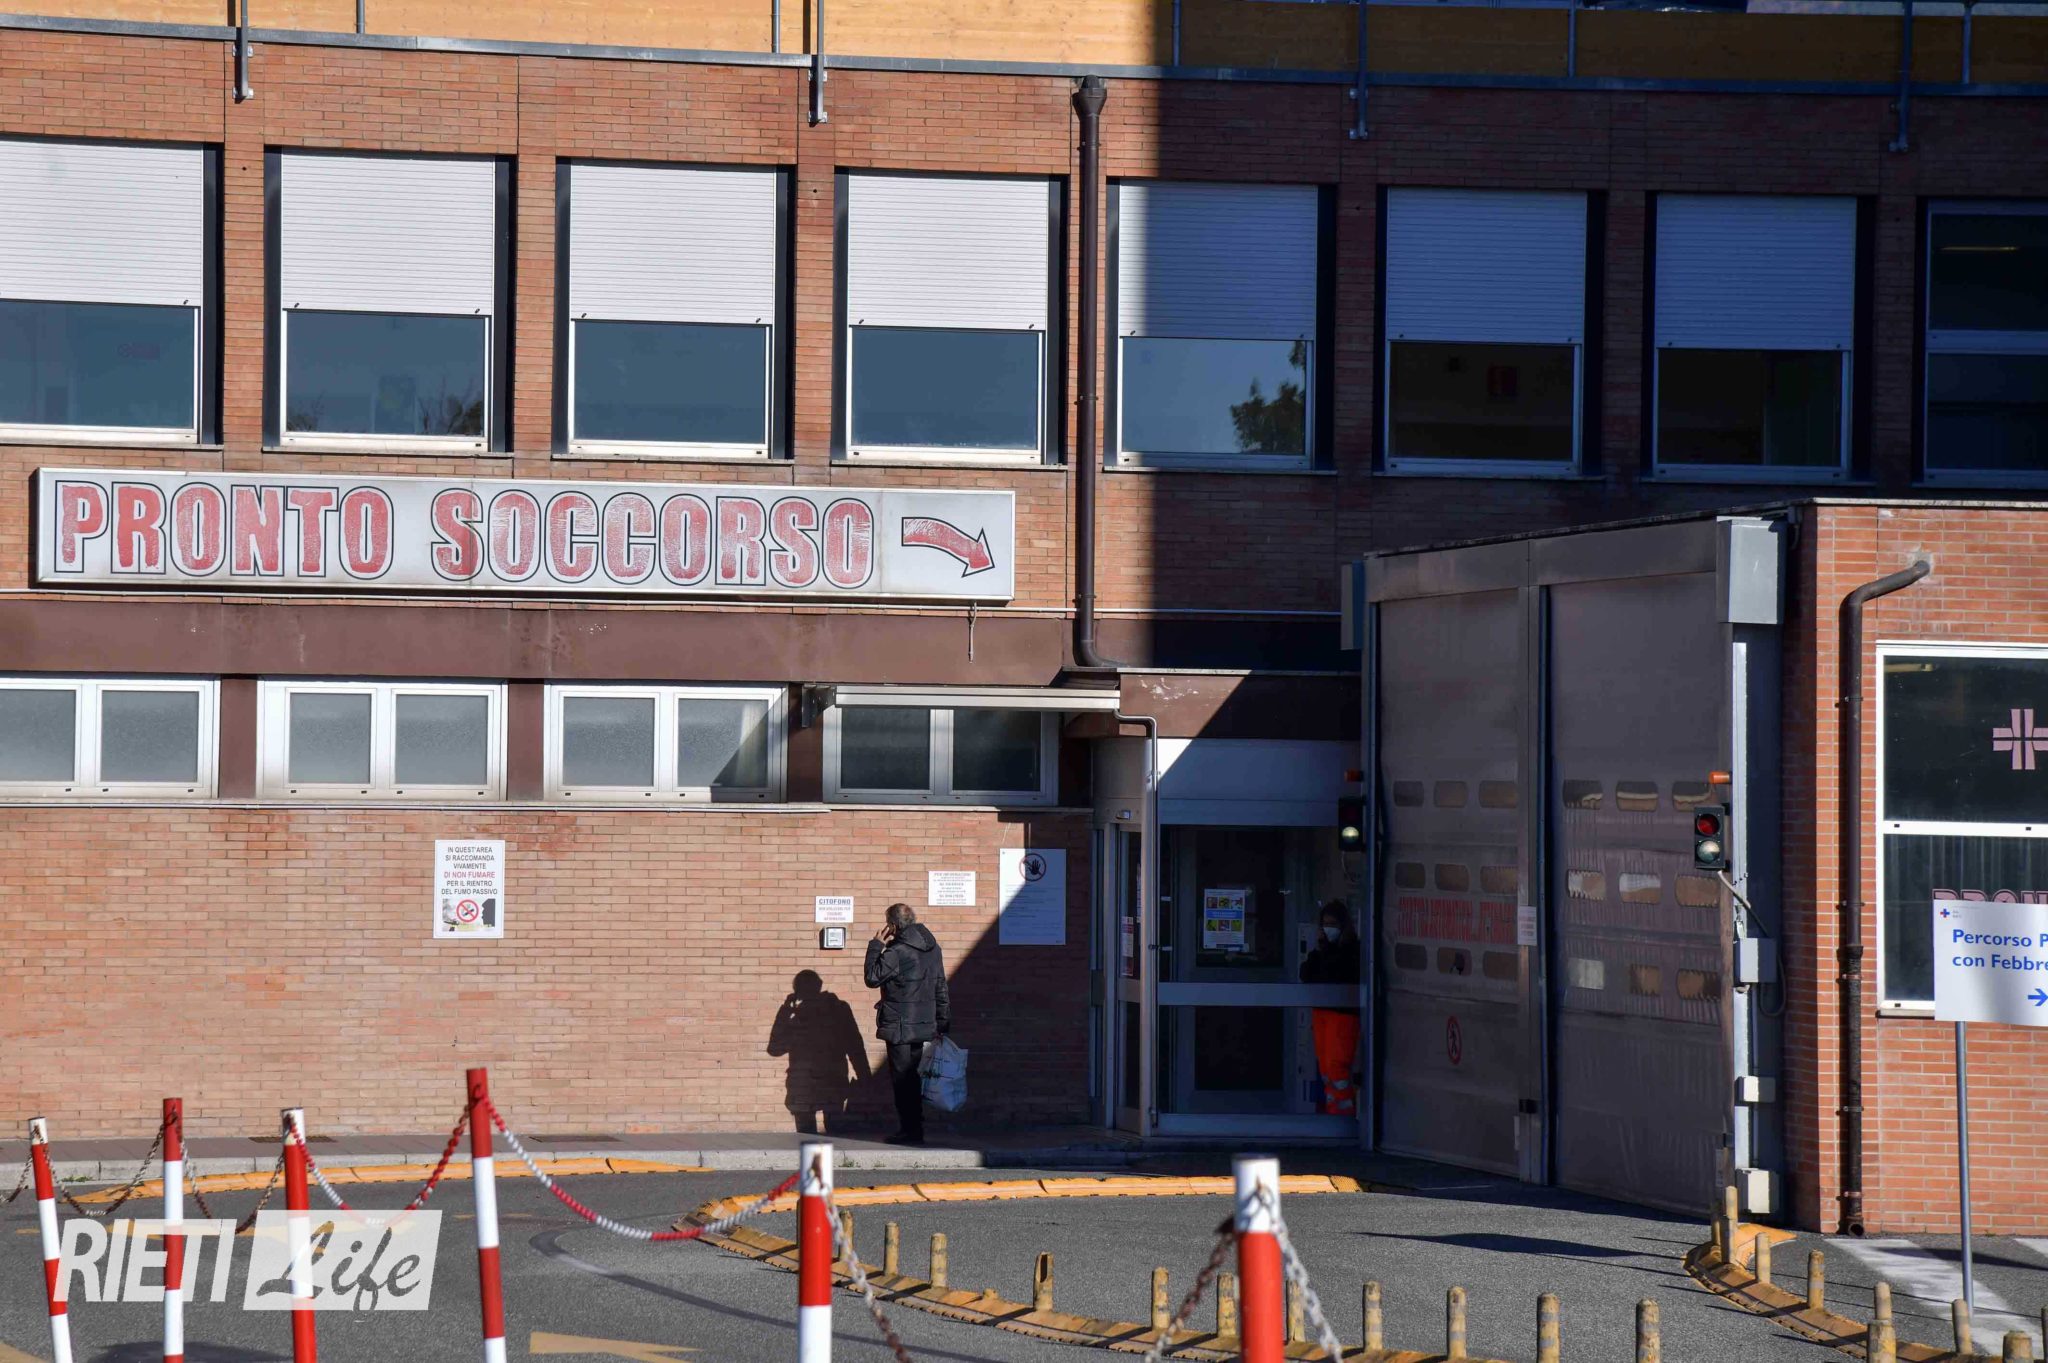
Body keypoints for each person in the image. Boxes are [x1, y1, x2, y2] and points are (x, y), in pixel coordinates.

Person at [864, 903, 951, 1145]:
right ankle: (914, 1128)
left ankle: (910, 1131)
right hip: (924, 1023)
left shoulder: (897, 952)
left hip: (901, 1025)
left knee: (903, 1080)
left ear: (892, 926)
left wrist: (875, 946)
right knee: (912, 1078)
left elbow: (872, 977)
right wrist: (943, 1022)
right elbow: (941, 986)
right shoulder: (933, 949)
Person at [766, 969, 871, 1134]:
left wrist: (785, 1011)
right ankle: (834, 1160)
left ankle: (814, 1160)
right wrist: (865, 1076)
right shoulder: (839, 1009)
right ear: (820, 986)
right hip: (832, 1079)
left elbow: (774, 1048)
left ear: (796, 991)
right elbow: (855, 1045)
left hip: (804, 1083)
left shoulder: (797, 1016)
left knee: (807, 1136)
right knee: (835, 1133)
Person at [1299, 899, 1362, 1117]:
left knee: (1337, 1068)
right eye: (1325, 923)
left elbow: (1333, 974)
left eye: (1333, 923)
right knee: (1325, 1069)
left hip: (1343, 1015)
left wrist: (1323, 954)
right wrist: (1321, 948)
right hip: (1322, 1012)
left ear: (1343, 925)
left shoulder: (1352, 950)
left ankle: (1344, 1115)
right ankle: (1332, 1113)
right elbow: (1306, 974)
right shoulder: (1322, 951)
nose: (1328, 928)